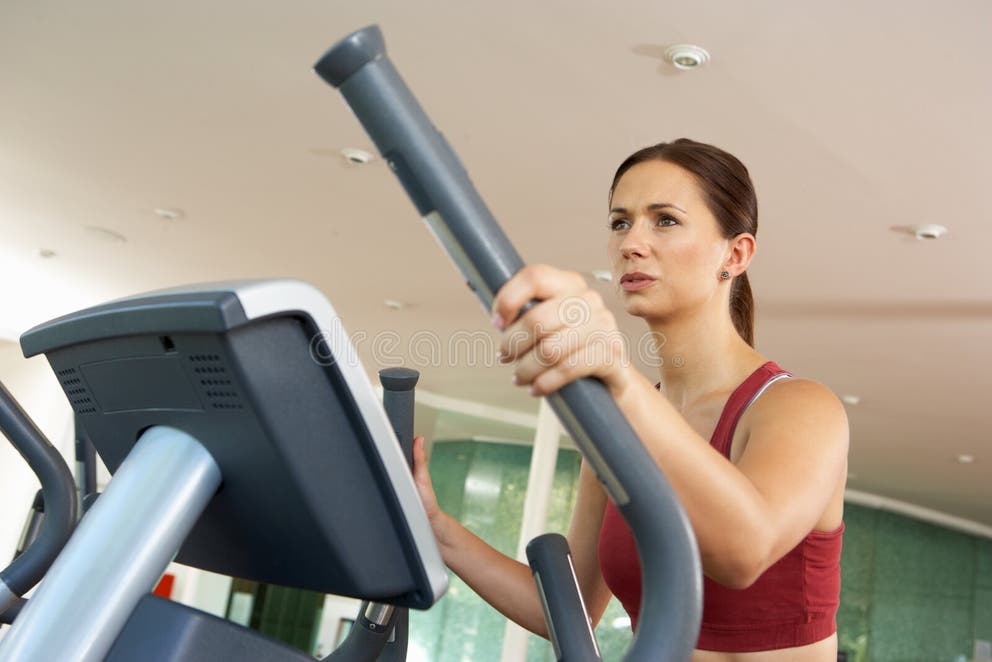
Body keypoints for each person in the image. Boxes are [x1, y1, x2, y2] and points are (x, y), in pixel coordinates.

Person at [412, 138, 849, 661]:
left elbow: (744, 551)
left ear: (735, 254)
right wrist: (436, 529)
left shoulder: (798, 407)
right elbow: (566, 608)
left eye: (664, 220)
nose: (631, 243)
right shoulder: (618, 422)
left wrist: (619, 378)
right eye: (621, 222)